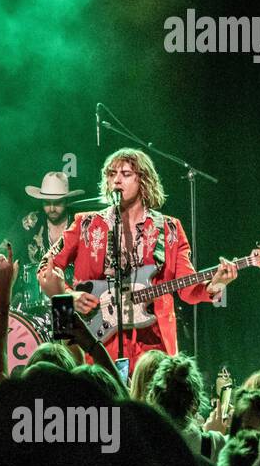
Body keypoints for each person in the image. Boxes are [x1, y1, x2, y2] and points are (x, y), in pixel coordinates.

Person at [37, 148, 238, 367]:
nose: (116, 181)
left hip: (153, 344)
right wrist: (69, 296)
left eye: (125, 174)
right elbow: (46, 266)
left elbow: (187, 290)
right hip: (95, 340)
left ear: (144, 180)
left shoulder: (170, 229)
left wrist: (215, 285)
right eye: (112, 174)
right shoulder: (86, 223)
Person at [0, 171, 81, 301]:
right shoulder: (30, 221)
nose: (52, 208)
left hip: (74, 298)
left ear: (67, 201)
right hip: (36, 302)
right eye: (47, 203)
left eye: (57, 203)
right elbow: (7, 249)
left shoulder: (81, 224)